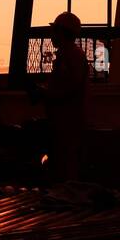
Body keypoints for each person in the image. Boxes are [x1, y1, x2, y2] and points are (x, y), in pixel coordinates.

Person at [43, 10, 89, 183]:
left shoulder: (72, 56)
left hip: (68, 121)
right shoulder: (68, 55)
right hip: (65, 121)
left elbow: (70, 86)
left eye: (55, 31)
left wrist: (48, 94)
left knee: (67, 166)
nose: (52, 36)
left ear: (62, 33)